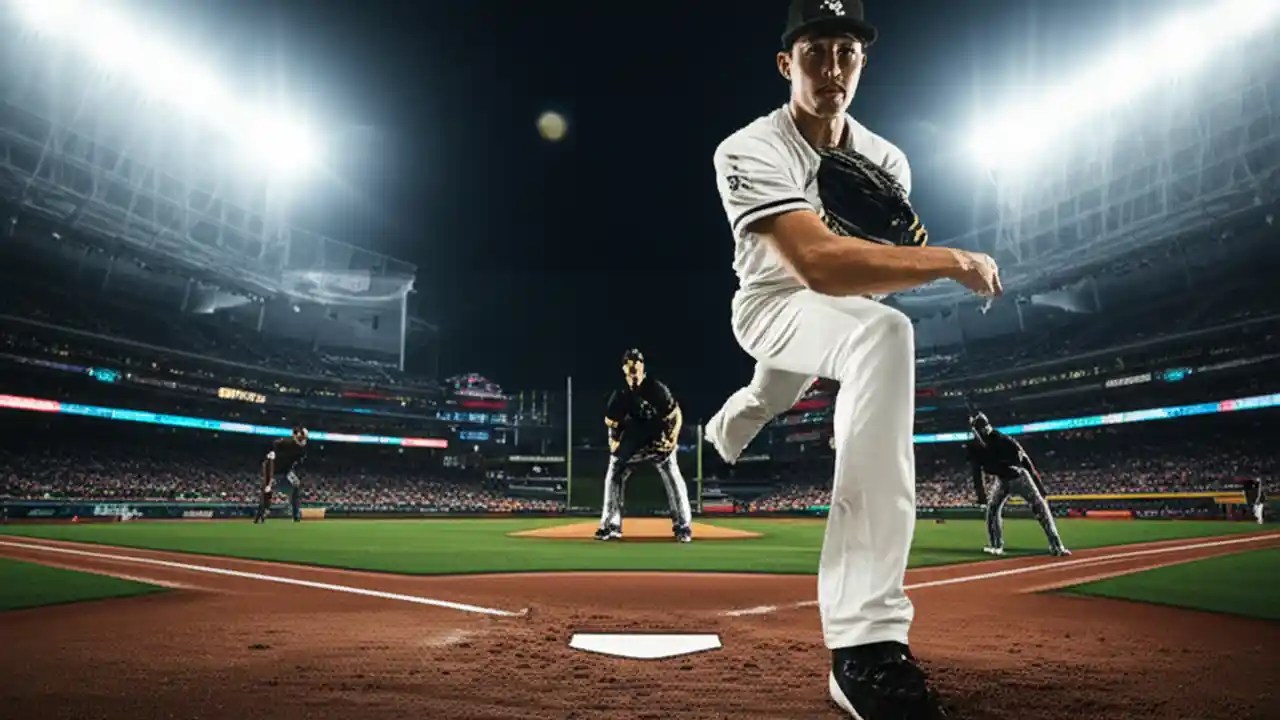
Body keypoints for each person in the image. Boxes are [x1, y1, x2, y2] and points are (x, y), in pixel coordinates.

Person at [703, 1, 1002, 717]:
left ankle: (725, 429)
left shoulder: (887, 159)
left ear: (863, 61)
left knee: (838, 352)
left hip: (835, 306)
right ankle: (864, 645)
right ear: (787, 63)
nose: (831, 67)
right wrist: (946, 258)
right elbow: (816, 266)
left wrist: (899, 257)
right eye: (815, 50)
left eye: (846, 51)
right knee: (872, 340)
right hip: (771, 304)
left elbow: (866, 280)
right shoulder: (748, 147)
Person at [595, 349, 693, 543]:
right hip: (631, 443)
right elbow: (611, 424)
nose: (633, 365)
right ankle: (611, 525)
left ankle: (683, 526)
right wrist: (613, 445)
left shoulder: (656, 389)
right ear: (624, 368)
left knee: (673, 474)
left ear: (642, 367)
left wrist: (672, 440)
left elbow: (676, 415)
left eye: (637, 362)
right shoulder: (619, 395)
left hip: (657, 440)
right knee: (614, 470)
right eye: (629, 362)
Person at [965, 412, 1069, 556]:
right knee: (992, 511)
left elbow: (1025, 461)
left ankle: (1057, 546)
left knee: (1040, 508)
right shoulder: (976, 448)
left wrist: (1039, 486)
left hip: (1020, 478)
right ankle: (996, 546)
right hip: (1002, 481)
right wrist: (981, 497)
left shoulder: (1004, 440)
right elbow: (976, 472)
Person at [254, 425, 308, 524]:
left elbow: (297, 460)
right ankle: (260, 514)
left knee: (296, 485)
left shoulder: (300, 449)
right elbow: (272, 452)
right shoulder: (284, 443)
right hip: (274, 470)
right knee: (267, 491)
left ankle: (296, 515)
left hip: (286, 471)